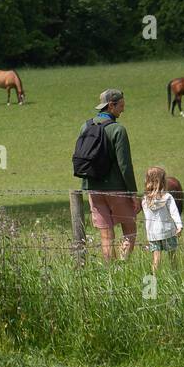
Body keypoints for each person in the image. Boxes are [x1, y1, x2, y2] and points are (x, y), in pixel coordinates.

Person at [82, 89, 139, 261]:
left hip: (93, 189)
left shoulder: (85, 126)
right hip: (117, 189)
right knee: (130, 229)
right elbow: (125, 166)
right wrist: (132, 194)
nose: (123, 109)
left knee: (106, 235)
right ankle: (122, 265)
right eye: (121, 106)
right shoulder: (118, 130)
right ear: (111, 105)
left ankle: (110, 272)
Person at [142, 166, 182, 274]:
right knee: (173, 257)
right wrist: (179, 226)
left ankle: (152, 281)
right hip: (168, 231)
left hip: (153, 234)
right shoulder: (168, 197)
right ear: (162, 181)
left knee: (156, 259)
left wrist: (148, 232)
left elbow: (147, 218)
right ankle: (176, 278)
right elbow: (174, 212)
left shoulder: (145, 200)